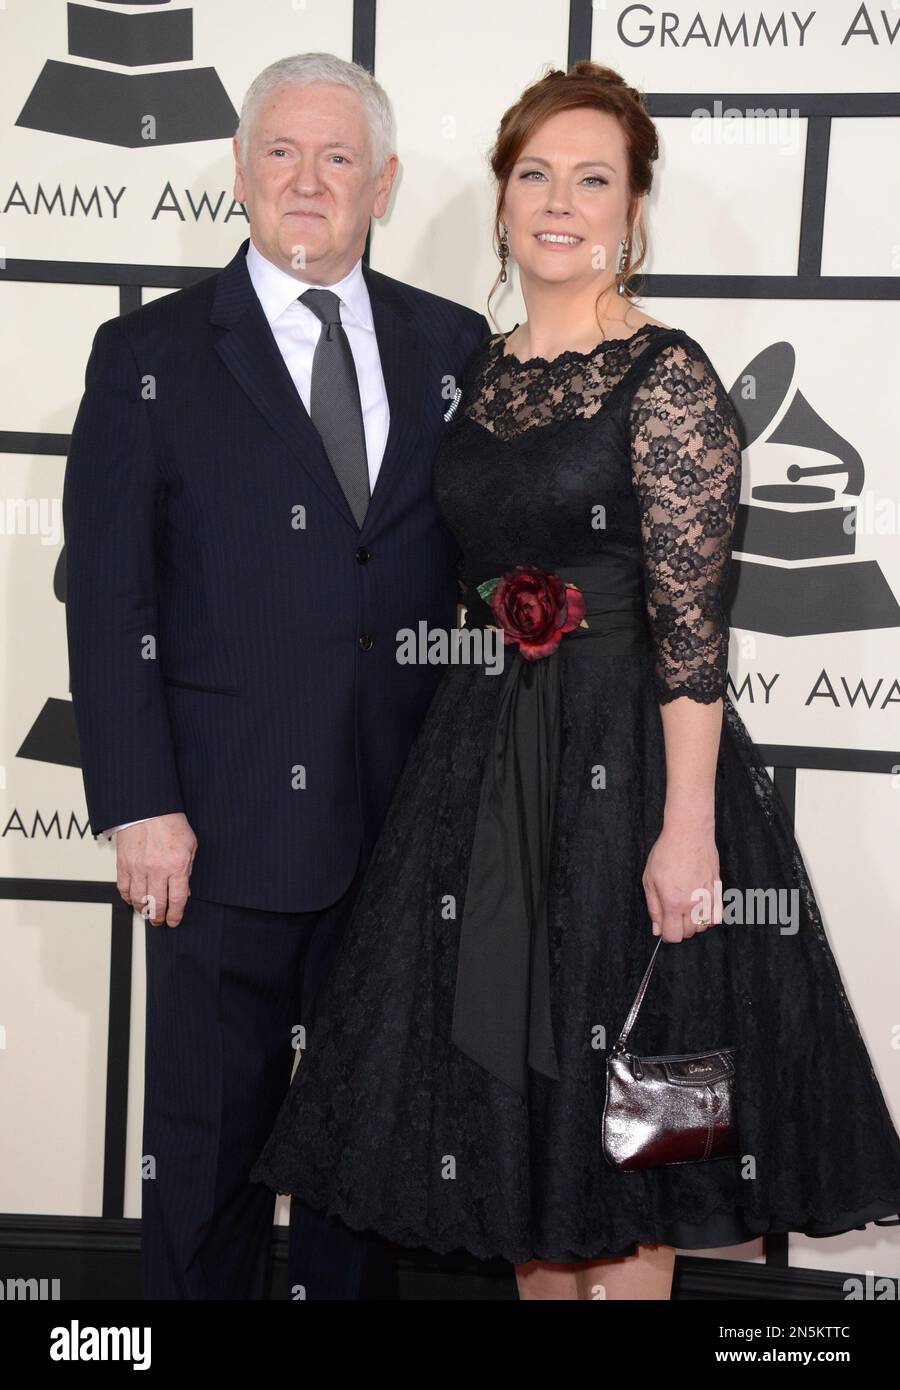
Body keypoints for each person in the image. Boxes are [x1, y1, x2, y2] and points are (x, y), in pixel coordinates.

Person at [249, 61, 900, 1300]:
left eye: (592, 178)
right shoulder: (474, 374)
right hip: (485, 775)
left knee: (640, 1131)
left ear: (632, 210)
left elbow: (695, 629)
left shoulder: (669, 380)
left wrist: (688, 832)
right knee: (522, 1146)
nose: (560, 201)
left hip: (636, 775)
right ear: (501, 202)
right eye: (535, 174)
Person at [62, 51, 489, 1300]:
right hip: (217, 828)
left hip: (401, 834)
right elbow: (109, 595)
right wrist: (140, 802)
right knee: (205, 1151)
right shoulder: (147, 352)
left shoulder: (450, 345)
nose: (310, 181)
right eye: (284, 155)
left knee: (363, 1156)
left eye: (339, 157)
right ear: (241, 175)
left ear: (385, 182)